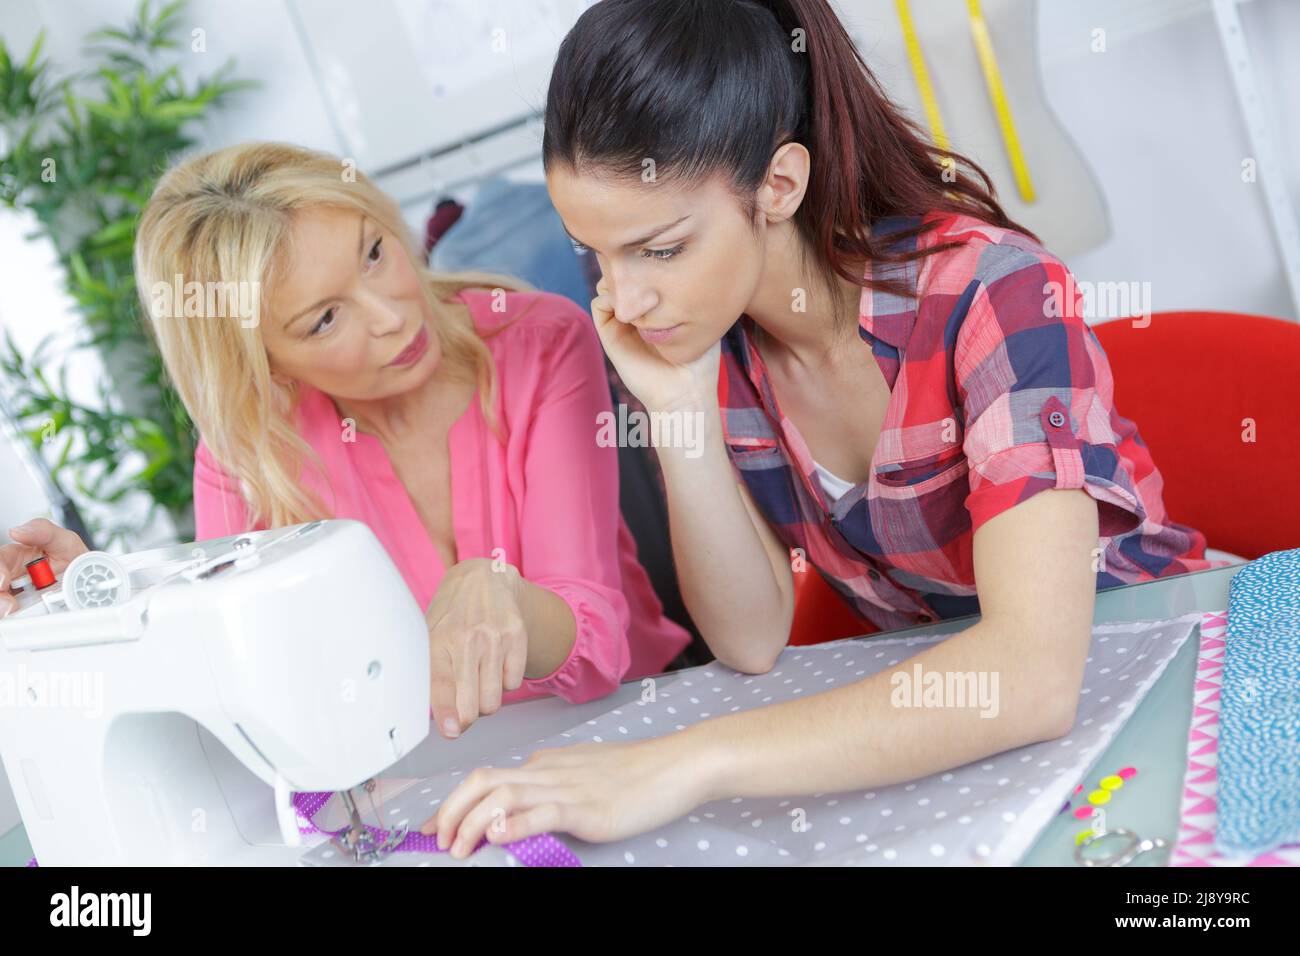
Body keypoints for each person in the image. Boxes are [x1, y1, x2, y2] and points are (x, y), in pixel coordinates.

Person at [423, 0, 1224, 857]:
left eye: (658, 249)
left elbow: (1029, 675)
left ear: (778, 185)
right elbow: (751, 637)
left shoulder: (994, 294)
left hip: (1163, 683)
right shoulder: (713, 343)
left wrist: (684, 764)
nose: (622, 300)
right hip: (954, 726)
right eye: (596, 254)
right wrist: (680, 409)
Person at [0, 142, 690, 741]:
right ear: (262, 364)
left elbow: (598, 647)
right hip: (427, 777)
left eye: (373, 252)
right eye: (325, 319)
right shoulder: (249, 455)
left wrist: (501, 592)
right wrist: (96, 604)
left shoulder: (537, 342)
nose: (393, 315)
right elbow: (238, 676)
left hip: (634, 719)